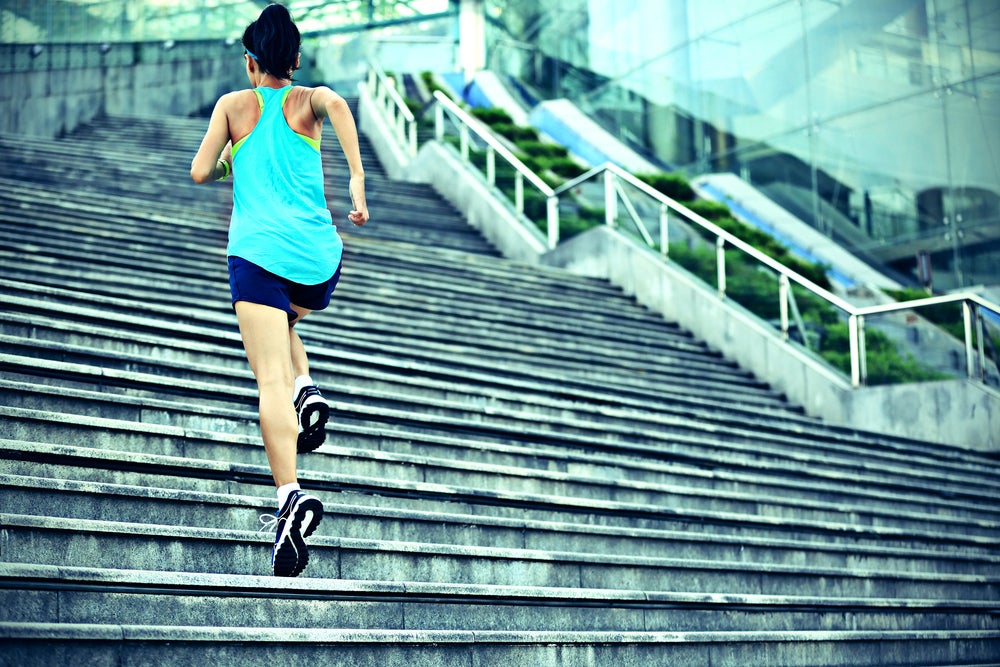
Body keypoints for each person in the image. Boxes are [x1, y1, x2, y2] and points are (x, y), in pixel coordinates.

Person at [190, 2, 369, 577]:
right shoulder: (305, 100)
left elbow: (198, 171)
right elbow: (336, 102)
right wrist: (358, 180)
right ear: (293, 59)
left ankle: (289, 495)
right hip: (317, 263)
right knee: (284, 322)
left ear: (250, 62)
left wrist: (228, 161)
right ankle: (309, 388)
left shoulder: (232, 106)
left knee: (268, 375)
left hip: (255, 255)